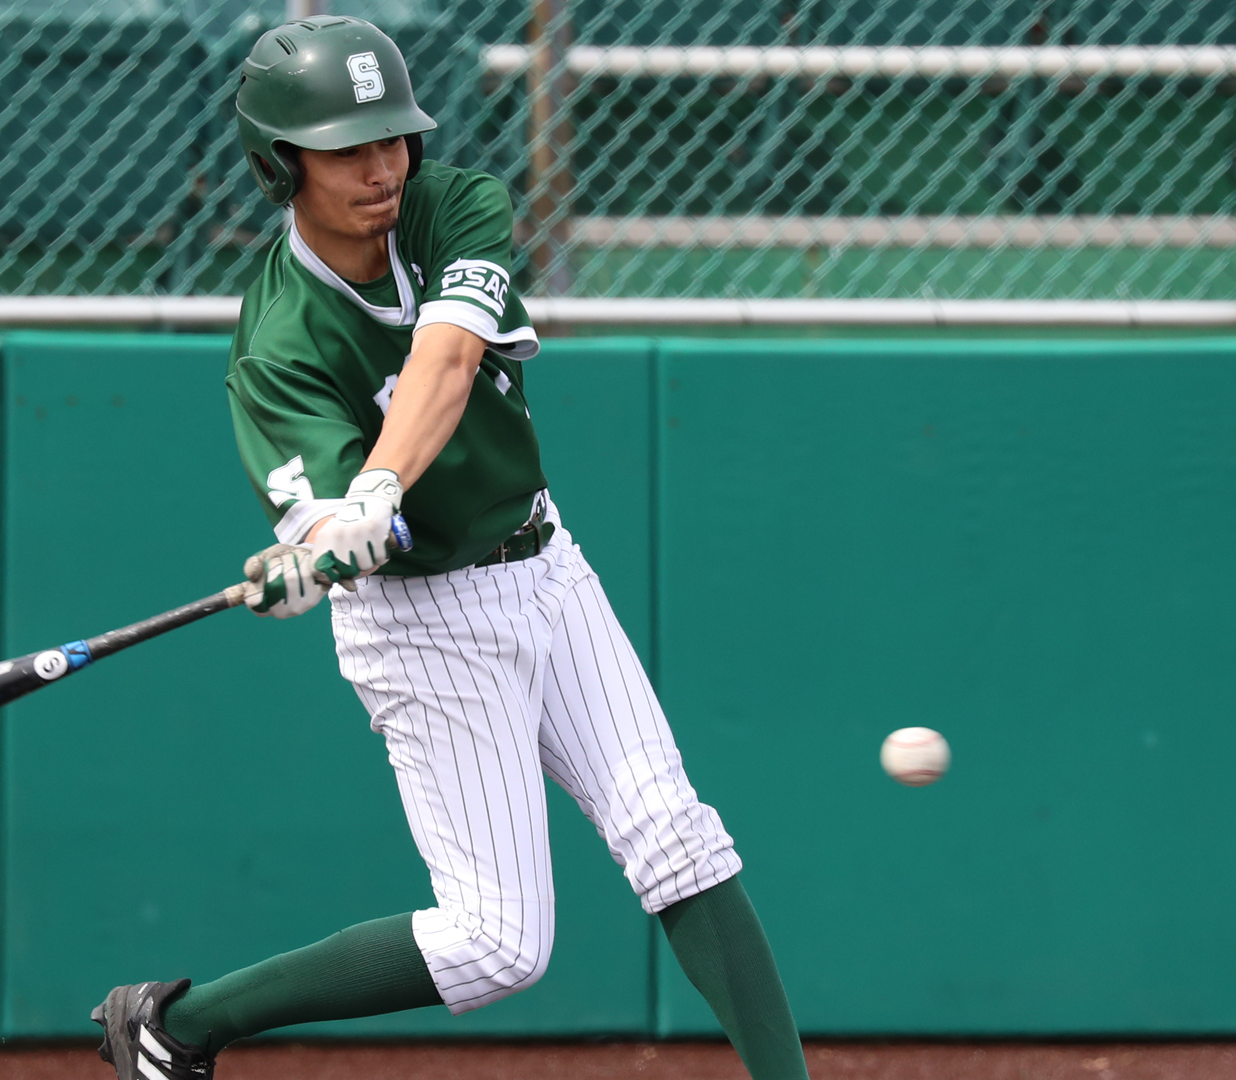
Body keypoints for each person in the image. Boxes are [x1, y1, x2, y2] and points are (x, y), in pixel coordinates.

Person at [90, 17, 809, 1080]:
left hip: (548, 563)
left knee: (678, 836)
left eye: (392, 137)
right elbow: (334, 529)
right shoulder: (278, 342)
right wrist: (319, 546)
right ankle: (181, 1023)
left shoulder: (454, 204)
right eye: (345, 148)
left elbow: (450, 355)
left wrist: (375, 486)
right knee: (497, 945)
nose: (381, 168)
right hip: (426, 625)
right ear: (280, 163)